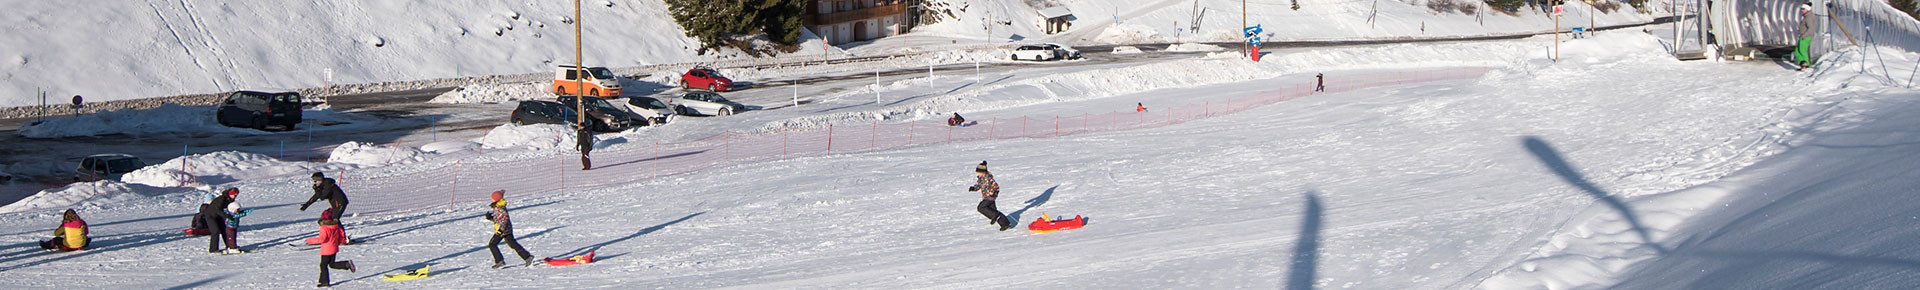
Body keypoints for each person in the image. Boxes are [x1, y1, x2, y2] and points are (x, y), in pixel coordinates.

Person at [484, 190, 535, 268]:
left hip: (502, 231)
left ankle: (499, 261)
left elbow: (504, 220)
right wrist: (491, 218)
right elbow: (499, 219)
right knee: (513, 244)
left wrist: (500, 230)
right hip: (506, 230)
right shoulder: (498, 206)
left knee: (492, 244)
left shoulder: (500, 208)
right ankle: (527, 257)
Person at [306, 210, 356, 288]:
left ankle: (325, 282)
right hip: (334, 248)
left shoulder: (324, 228)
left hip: (327, 250)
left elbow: (322, 239)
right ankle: (346, 264)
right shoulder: (335, 226)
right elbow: (341, 234)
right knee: (331, 264)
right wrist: (340, 242)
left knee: (323, 265)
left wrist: (309, 240)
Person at [303, 172, 352, 243]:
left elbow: (322, 196)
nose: (314, 182)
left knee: (335, 220)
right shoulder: (323, 185)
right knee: (334, 220)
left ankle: (342, 239)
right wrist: (306, 205)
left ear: (320, 179)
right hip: (336, 204)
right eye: (313, 180)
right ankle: (337, 237)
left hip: (340, 203)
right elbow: (316, 196)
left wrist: (317, 190)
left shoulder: (327, 185)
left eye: (316, 180)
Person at [968, 161, 1013, 231]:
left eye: (979, 172)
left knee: (981, 207)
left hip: (990, 196)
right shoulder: (981, 179)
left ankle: (994, 216)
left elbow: (996, 186)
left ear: (983, 172)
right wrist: (974, 188)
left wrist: (995, 192)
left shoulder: (989, 178)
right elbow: (979, 185)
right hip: (986, 196)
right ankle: (1005, 224)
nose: (978, 174)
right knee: (993, 210)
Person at [201, 188, 242, 254]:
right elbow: (217, 210)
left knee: (224, 231)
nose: (235, 196)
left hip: (218, 215)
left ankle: (230, 246)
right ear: (231, 194)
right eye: (234, 195)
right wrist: (226, 216)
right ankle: (213, 249)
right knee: (215, 231)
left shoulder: (230, 200)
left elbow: (230, 208)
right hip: (210, 215)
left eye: (236, 195)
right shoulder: (222, 199)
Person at [1795, 2, 1815, 71]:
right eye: (1802, 9)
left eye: (1803, 9)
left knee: (1802, 51)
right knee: (1797, 51)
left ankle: (1806, 65)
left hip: (1806, 36)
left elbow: (1811, 28)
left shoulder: (1809, 17)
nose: (1802, 10)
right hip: (1803, 36)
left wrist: (1804, 35)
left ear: (1807, 9)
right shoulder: (1806, 16)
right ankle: (1803, 63)